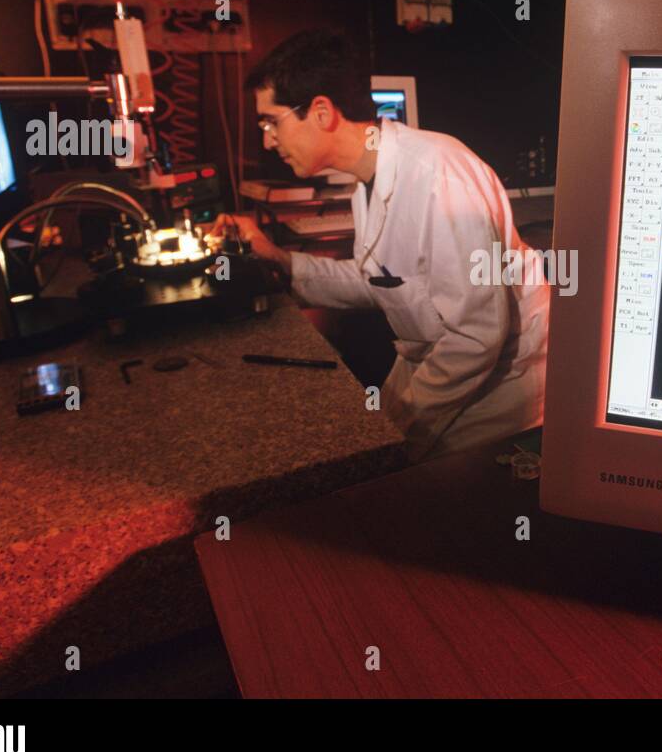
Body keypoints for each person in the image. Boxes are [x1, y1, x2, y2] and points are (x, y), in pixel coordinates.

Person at [209, 30, 549, 462]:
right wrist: (279, 260)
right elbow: (384, 281)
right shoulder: (370, 178)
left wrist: (396, 426)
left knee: (389, 484)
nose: (267, 140)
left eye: (271, 122)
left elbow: (476, 337)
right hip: (443, 370)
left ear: (320, 112)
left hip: (500, 394)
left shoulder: (437, 175)